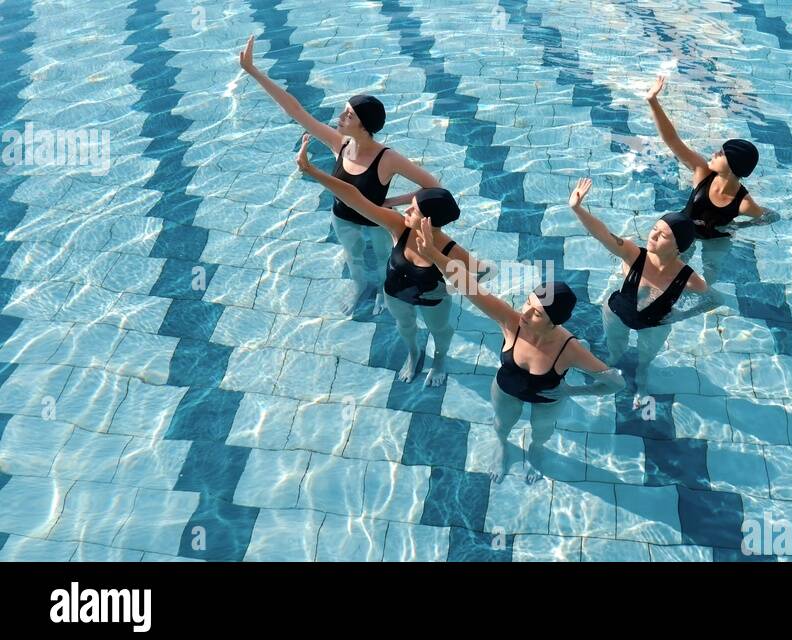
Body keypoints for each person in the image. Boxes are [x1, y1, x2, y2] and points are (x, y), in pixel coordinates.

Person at [412, 217, 626, 484]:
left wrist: (572, 390)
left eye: (535, 313)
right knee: (501, 427)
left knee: (541, 433)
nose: (524, 312)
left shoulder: (569, 348)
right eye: (527, 302)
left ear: (554, 321)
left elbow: (615, 382)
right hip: (506, 388)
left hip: (548, 399)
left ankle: (535, 452)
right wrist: (433, 253)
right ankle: (503, 448)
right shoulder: (511, 322)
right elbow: (469, 287)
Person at [240, 34, 440, 314]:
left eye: (349, 115)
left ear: (363, 126)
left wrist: (391, 203)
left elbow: (432, 186)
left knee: (384, 258)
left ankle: (384, 291)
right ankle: (360, 288)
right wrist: (253, 70)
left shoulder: (387, 158)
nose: (341, 117)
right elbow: (295, 110)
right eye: (344, 111)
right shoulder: (340, 143)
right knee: (353, 257)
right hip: (342, 218)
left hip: (376, 223)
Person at [297, 134, 478, 387]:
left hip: (432, 297)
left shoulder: (450, 249)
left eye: (413, 208)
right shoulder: (397, 226)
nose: (406, 210)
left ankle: (438, 360)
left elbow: (478, 278)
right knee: (405, 326)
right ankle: (414, 353)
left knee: (440, 331)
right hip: (395, 292)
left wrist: (444, 274)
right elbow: (355, 197)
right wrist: (313, 171)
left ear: (428, 221)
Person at [569, 178, 719, 407]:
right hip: (617, 312)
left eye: (663, 235)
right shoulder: (632, 254)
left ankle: (641, 375)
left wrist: (681, 316)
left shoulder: (688, 278)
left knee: (645, 359)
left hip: (654, 325)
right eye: (654, 229)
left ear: (678, 246)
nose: (653, 236)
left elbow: (715, 299)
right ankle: (611, 363)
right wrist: (577, 209)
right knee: (614, 348)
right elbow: (603, 234)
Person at [645, 75, 769, 238]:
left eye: (722, 154)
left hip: (715, 241)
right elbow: (672, 140)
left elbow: (766, 217)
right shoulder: (702, 172)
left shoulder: (743, 203)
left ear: (733, 167)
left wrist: (735, 228)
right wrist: (652, 101)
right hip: (681, 235)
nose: (715, 153)